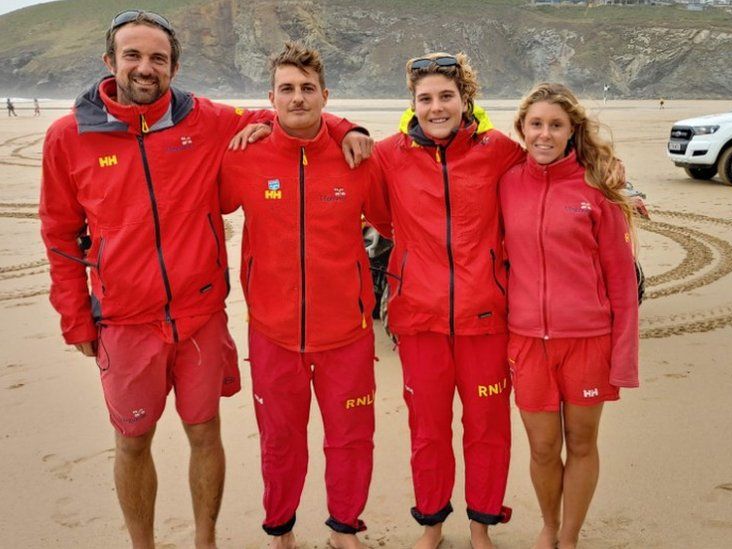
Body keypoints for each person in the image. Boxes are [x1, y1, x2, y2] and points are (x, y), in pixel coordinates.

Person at [39, 10, 368, 549]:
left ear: (174, 66)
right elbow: (58, 232)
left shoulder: (205, 118)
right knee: (133, 439)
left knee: (204, 432)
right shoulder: (68, 136)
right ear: (109, 62)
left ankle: (205, 540)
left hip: (199, 316)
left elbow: (289, 111)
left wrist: (346, 126)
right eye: (133, 56)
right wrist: (75, 317)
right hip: (124, 319)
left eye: (158, 58)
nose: (146, 68)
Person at [218, 42, 390, 549]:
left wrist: (346, 129)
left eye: (307, 89)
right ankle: (281, 531)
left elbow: (394, 223)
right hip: (273, 332)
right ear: (270, 98)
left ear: (325, 96)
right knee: (280, 441)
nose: (297, 98)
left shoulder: (356, 156)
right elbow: (200, 201)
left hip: (348, 333)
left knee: (352, 439)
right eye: (287, 90)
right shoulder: (246, 155)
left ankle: (344, 529)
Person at [373, 53, 525, 549]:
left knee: (487, 429)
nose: (436, 107)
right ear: (412, 104)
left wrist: (610, 179)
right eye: (425, 99)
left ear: (465, 99)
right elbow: (373, 210)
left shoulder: (501, 151)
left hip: (486, 319)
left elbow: (551, 168)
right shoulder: (388, 155)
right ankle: (432, 524)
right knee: (429, 432)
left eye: (446, 97)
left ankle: (480, 526)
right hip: (419, 320)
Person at [499, 82, 639, 549]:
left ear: (571, 131)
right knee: (542, 447)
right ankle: (549, 526)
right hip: (525, 340)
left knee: (581, 444)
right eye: (535, 124)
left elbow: (622, 284)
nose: (544, 134)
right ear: (521, 129)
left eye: (555, 125)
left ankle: (571, 537)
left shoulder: (598, 188)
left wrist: (624, 359)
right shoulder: (506, 181)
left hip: (587, 340)